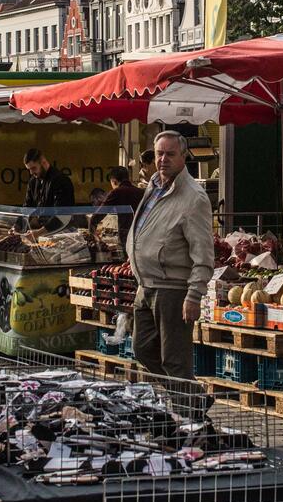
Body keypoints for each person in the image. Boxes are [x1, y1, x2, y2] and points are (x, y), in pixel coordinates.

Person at [127, 131, 214, 381]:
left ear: (184, 156)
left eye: (170, 154)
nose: (163, 159)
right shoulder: (154, 185)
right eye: (159, 154)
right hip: (146, 285)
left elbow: (203, 251)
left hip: (172, 288)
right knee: (142, 349)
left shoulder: (193, 197)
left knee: (174, 361)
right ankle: (193, 397)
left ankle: (190, 404)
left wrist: (194, 294)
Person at [22, 148, 74, 231]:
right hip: (42, 231)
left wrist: (39, 233)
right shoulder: (33, 182)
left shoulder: (61, 181)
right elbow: (27, 207)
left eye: (34, 168)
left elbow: (62, 215)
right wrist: (17, 226)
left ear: (43, 163)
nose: (31, 173)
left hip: (62, 232)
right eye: (29, 170)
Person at [90, 166, 142, 244]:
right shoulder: (140, 192)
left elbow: (99, 214)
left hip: (126, 236)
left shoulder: (116, 192)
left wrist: (92, 228)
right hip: (140, 234)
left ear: (114, 181)